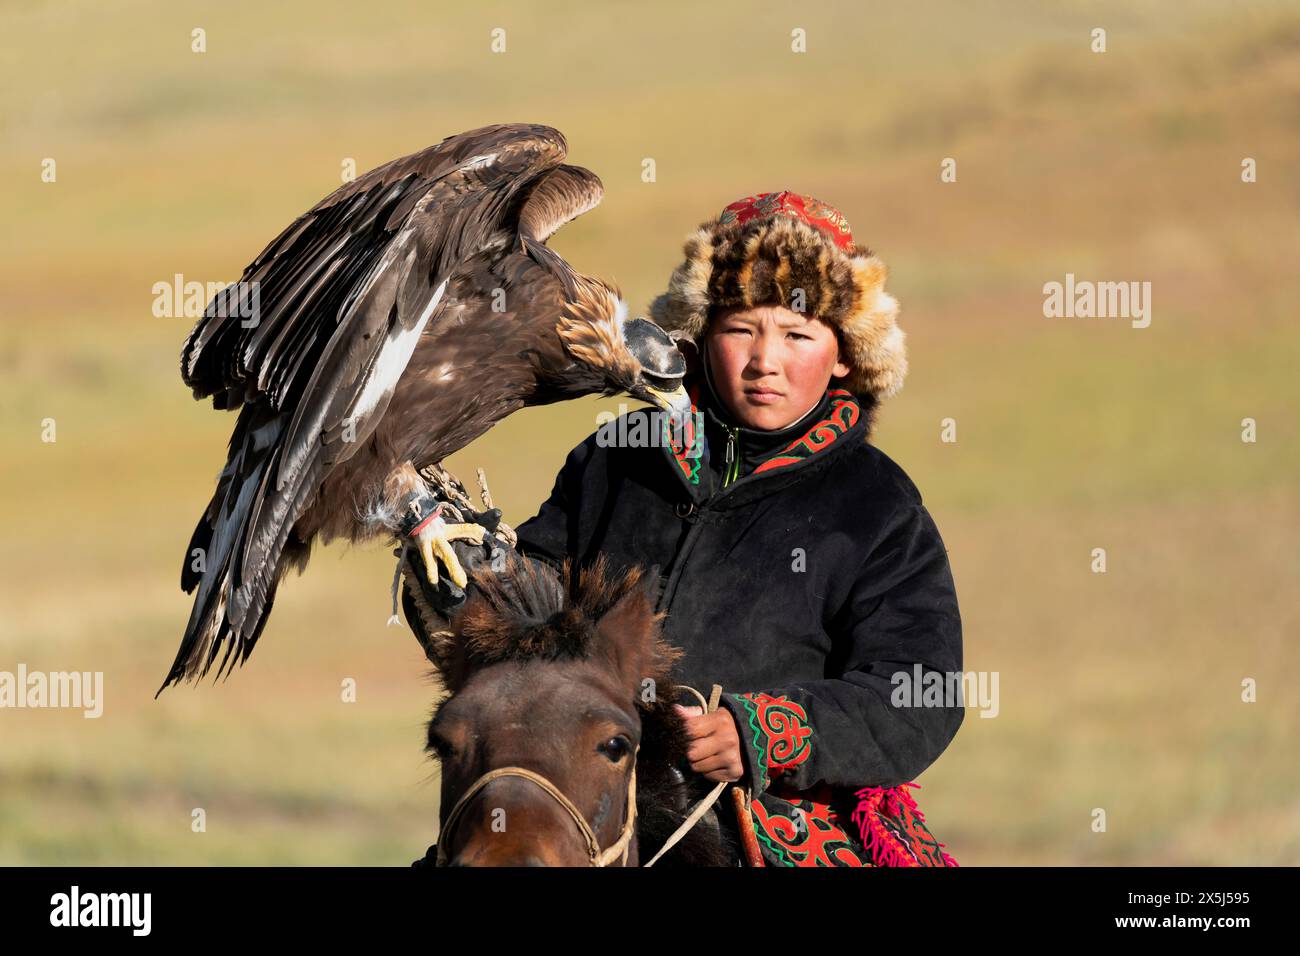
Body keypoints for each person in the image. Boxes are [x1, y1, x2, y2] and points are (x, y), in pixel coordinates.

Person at [402, 191, 964, 867]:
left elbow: (920, 688)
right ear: (699, 336)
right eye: (740, 329)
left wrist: (760, 734)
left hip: (775, 815)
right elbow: (533, 617)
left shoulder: (876, 503)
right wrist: (467, 579)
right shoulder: (618, 457)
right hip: (588, 796)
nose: (765, 361)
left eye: (797, 334)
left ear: (844, 356)